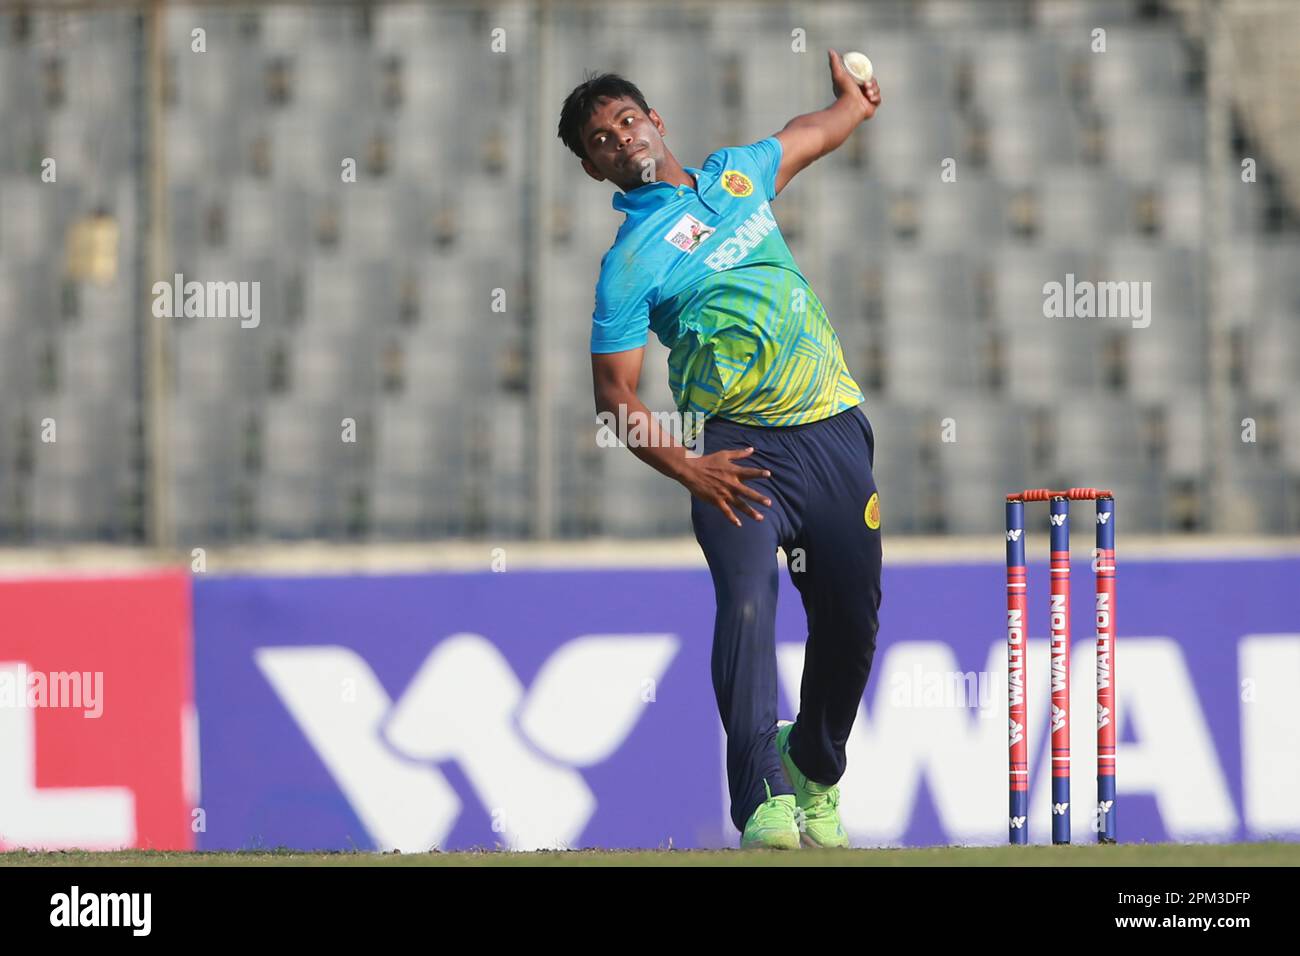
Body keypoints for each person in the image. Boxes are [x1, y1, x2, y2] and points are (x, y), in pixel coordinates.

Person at [557, 51, 883, 849]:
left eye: (626, 120)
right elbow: (616, 398)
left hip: (834, 429)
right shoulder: (627, 266)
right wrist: (689, 466)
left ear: (656, 120)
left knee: (853, 626)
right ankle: (762, 798)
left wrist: (854, 105)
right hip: (735, 455)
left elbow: (807, 134)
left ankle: (811, 761)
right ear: (595, 169)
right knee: (746, 606)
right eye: (599, 140)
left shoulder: (738, 177)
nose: (618, 139)